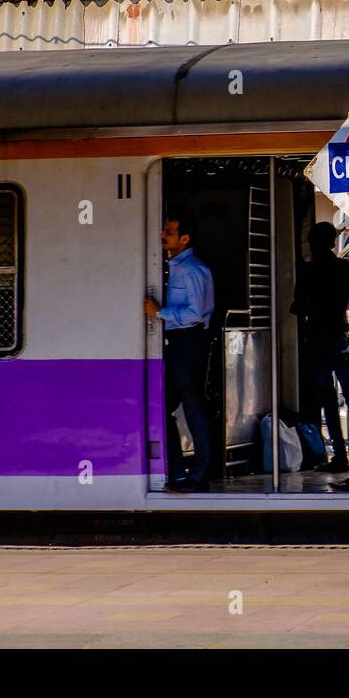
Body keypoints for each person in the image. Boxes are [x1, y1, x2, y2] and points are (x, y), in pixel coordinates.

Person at [291, 222, 349, 490]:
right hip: (339, 339)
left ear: (312, 243)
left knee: (327, 400)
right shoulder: (348, 268)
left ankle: (340, 455)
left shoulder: (308, 270)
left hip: (316, 341)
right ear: (334, 243)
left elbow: (297, 306)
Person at [145, 207, 215, 492]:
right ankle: (178, 471)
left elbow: (195, 313)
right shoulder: (175, 267)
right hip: (179, 343)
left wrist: (160, 313)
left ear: (184, 238)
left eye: (169, 232)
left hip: (189, 341)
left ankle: (199, 475)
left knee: (193, 407)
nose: (163, 235)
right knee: (166, 406)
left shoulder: (192, 270)